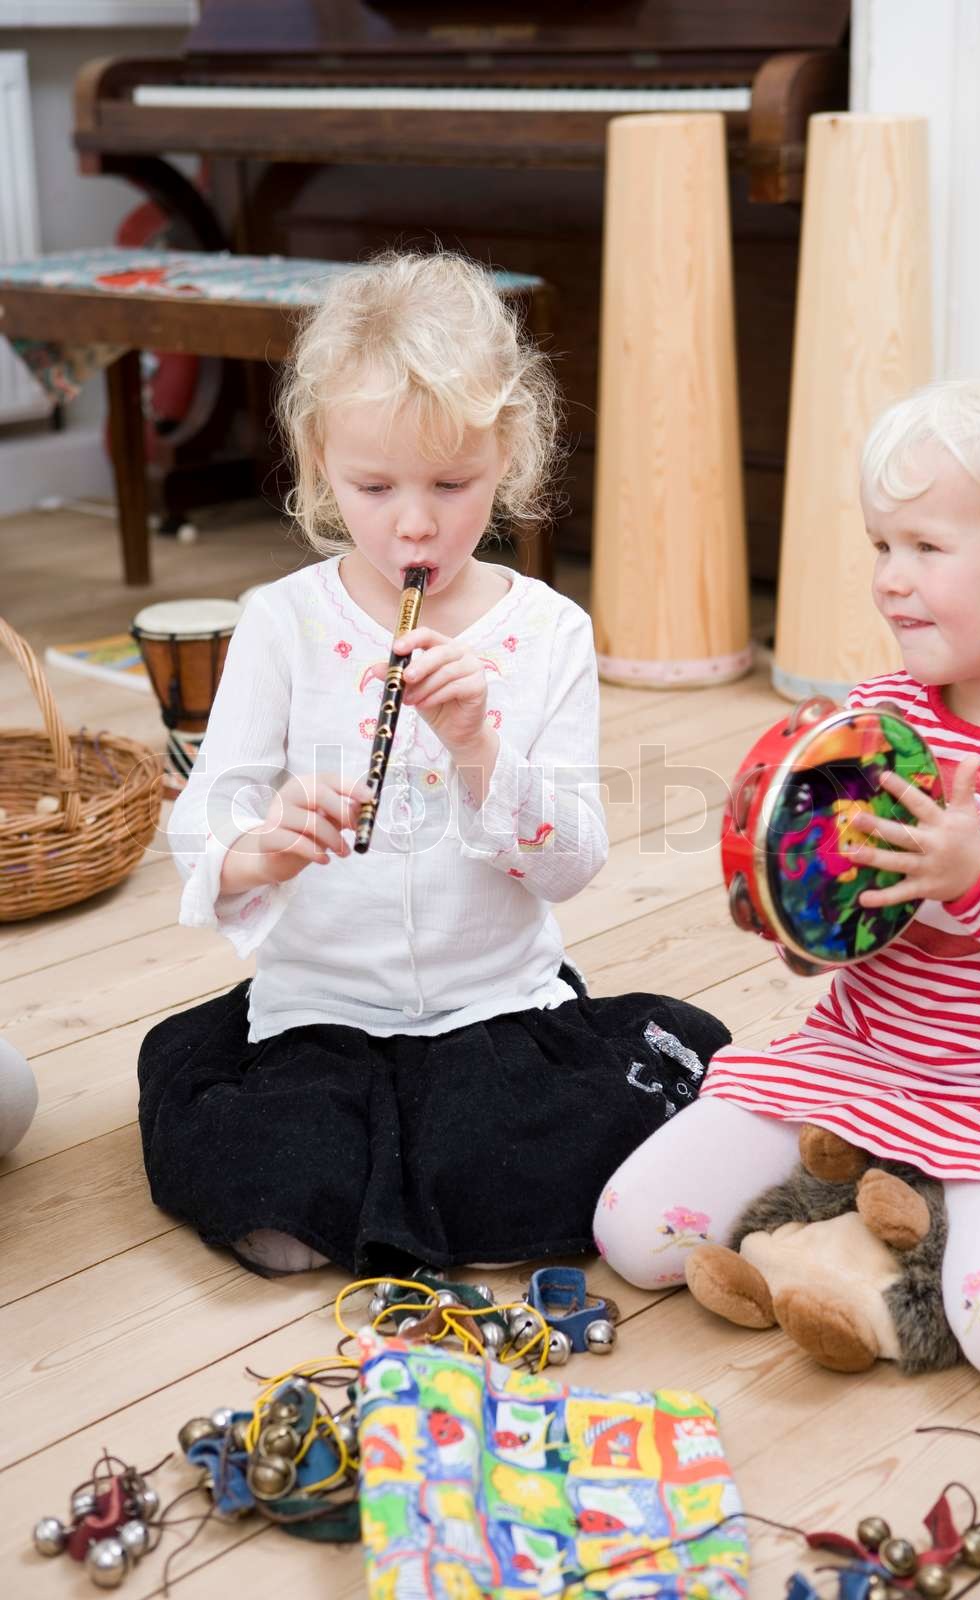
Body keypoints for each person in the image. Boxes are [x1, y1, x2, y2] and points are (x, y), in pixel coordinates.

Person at [137, 251, 730, 1278]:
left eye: (451, 484)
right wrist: (256, 851)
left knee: (543, 1161)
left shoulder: (548, 631)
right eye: (373, 486)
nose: (414, 522)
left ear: (508, 458)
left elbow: (571, 862)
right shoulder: (281, 620)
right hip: (313, 1011)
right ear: (319, 465)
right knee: (266, 1192)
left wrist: (478, 749)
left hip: (491, 1007)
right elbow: (205, 811)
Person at [596, 368, 980, 1392]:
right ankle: (876, 1206)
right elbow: (829, 946)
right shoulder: (875, 716)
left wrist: (978, 876)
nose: (888, 579)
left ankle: (886, 1221)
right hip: (858, 1057)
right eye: (879, 546)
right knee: (634, 1234)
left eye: (925, 548)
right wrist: (792, 909)